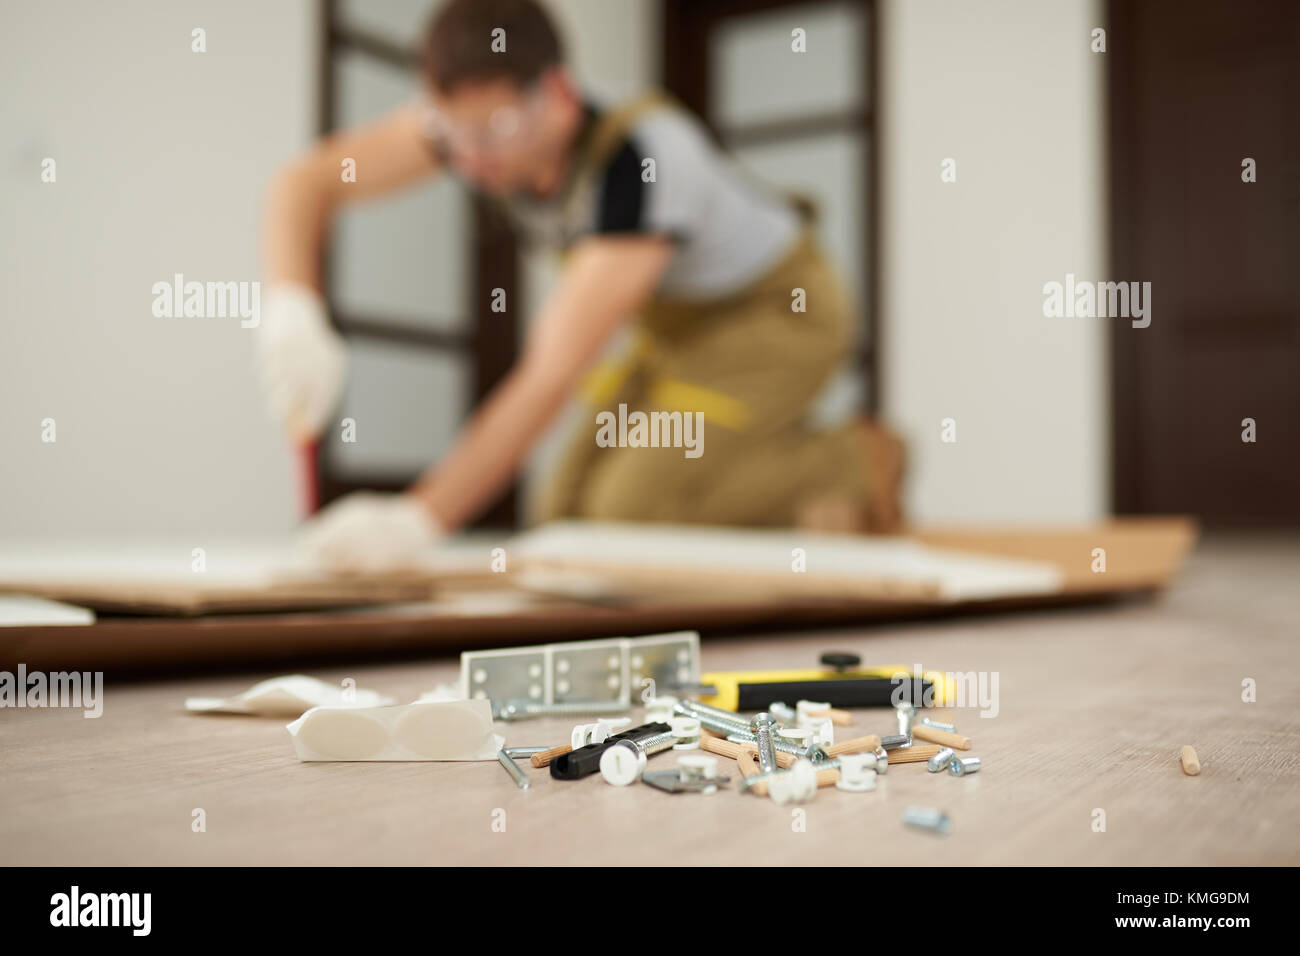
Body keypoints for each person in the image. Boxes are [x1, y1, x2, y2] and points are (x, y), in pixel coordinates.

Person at [258, 0, 903, 572]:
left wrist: (420, 518)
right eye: (453, 135)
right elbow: (306, 183)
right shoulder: (468, 127)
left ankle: (850, 461)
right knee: (564, 512)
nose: (474, 161)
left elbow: (550, 372)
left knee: (630, 511)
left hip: (780, 316)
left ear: (558, 96)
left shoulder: (643, 163)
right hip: (672, 330)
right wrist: (293, 305)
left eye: (494, 132)